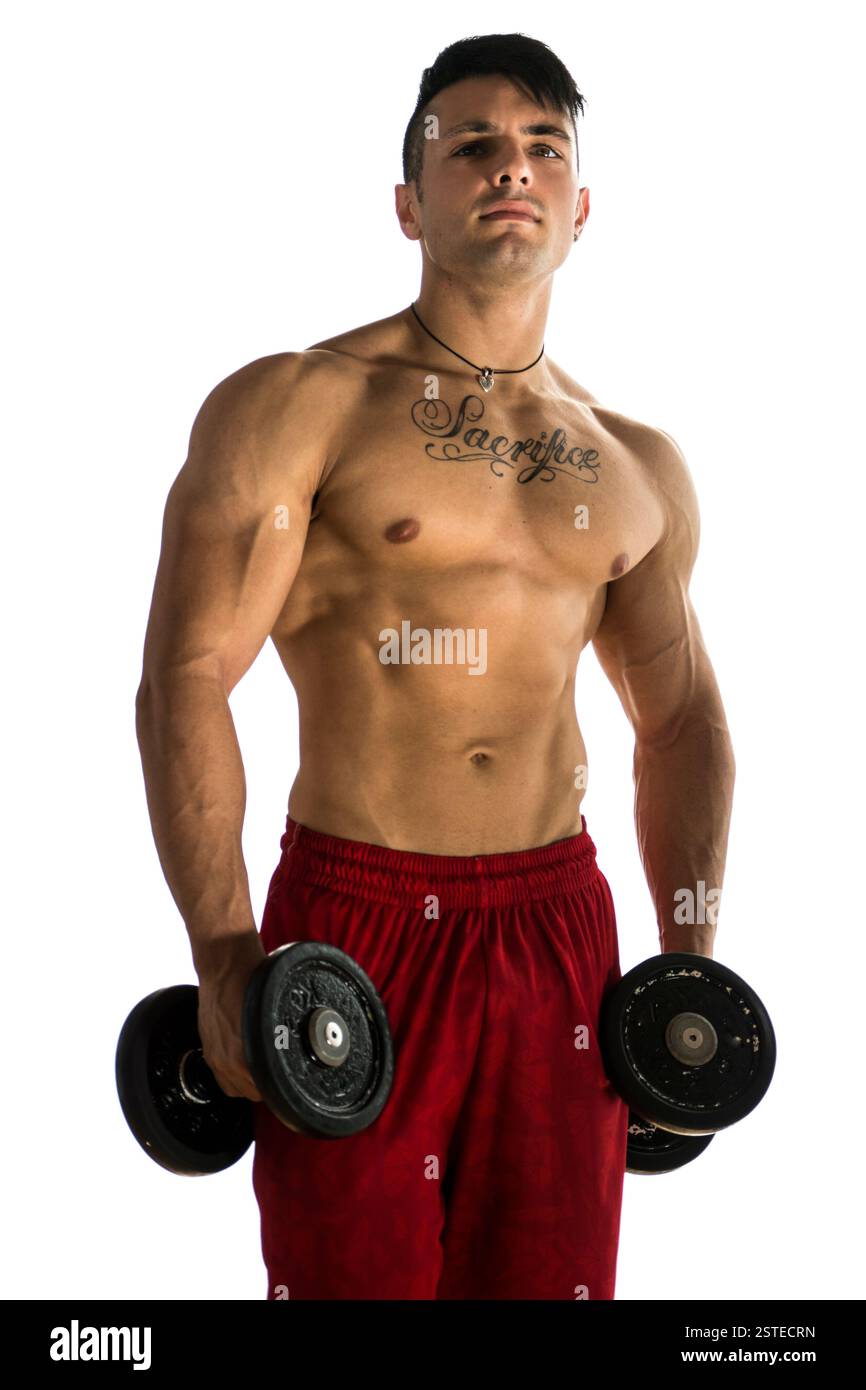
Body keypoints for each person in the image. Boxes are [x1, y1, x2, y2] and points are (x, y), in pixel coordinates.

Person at [135, 32, 735, 1300]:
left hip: (557, 936)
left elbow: (676, 719)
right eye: (469, 145)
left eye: (540, 148)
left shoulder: (635, 466)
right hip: (355, 926)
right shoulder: (300, 405)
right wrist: (223, 948)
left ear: (581, 207)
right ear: (410, 203)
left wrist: (687, 954)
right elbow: (188, 672)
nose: (508, 167)